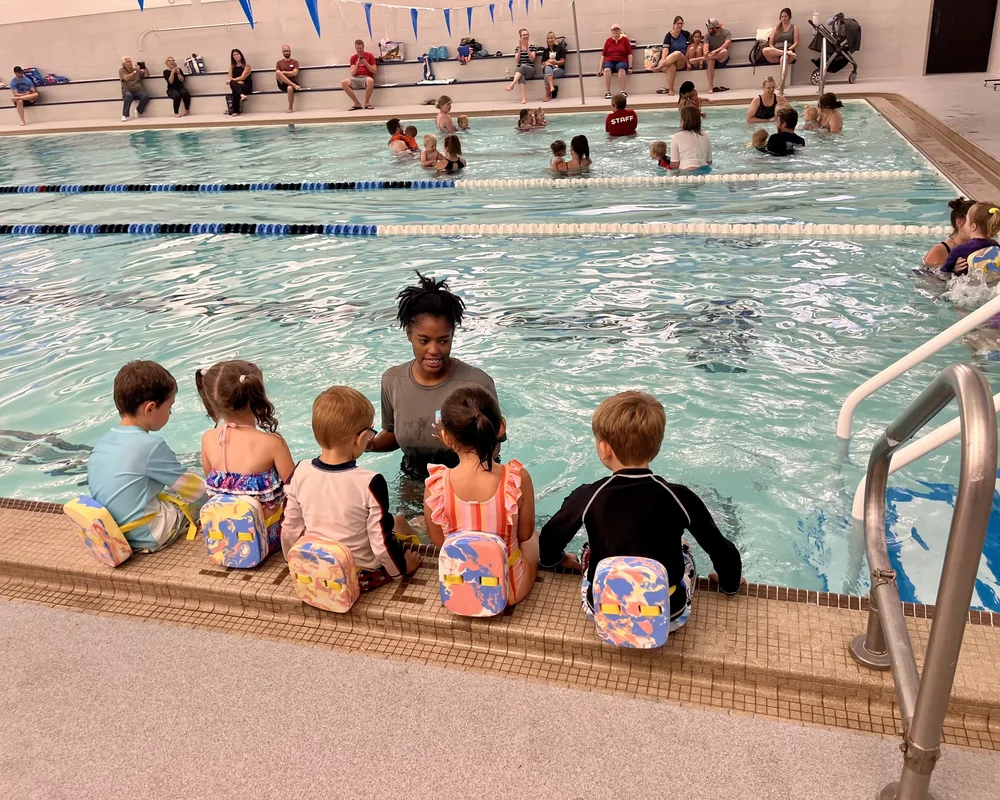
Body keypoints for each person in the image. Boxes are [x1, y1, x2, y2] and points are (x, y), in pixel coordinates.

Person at [538, 391, 744, 630]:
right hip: (669, 615)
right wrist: (730, 584)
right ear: (656, 447)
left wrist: (556, 559)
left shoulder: (588, 495)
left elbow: (550, 540)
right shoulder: (679, 496)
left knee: (589, 550)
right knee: (686, 555)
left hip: (603, 609)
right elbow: (721, 549)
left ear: (605, 449)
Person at [280, 386, 421, 592]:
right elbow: (380, 543)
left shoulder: (300, 471)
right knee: (402, 525)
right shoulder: (370, 482)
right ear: (361, 437)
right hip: (358, 573)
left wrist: (294, 563)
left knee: (398, 521)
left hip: (317, 565)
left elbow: (289, 527)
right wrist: (401, 570)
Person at [411, 386, 539, 607]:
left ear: (446, 437)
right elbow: (525, 534)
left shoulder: (436, 484)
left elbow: (439, 541)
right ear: (501, 427)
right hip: (508, 592)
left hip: (457, 588)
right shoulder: (516, 478)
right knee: (533, 538)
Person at [368, 272, 497, 486]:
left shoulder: (477, 383)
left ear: (453, 335)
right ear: (409, 334)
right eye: (424, 340)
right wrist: (365, 444)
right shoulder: (393, 380)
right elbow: (393, 434)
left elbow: (493, 443)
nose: (434, 350)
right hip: (414, 479)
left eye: (443, 341)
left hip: (470, 481)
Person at [87, 361, 206, 553]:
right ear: (150, 409)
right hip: (146, 535)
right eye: (169, 407)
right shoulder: (151, 446)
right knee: (198, 496)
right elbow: (195, 489)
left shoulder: (104, 442)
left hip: (114, 532)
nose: (170, 412)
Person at [196, 360, 294, 552]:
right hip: (266, 536)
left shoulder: (208, 438)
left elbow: (211, 482)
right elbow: (295, 489)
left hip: (225, 533)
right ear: (257, 395)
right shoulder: (272, 442)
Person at [940, 202, 1000, 276]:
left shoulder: (959, 250)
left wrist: (953, 269)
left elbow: (942, 274)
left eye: (967, 221)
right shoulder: (996, 246)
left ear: (973, 227)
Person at [924, 198, 976, 268]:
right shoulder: (939, 251)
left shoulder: (982, 247)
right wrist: (951, 270)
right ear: (959, 222)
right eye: (976, 223)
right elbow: (925, 277)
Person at [653, 16, 689, 96]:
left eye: (681, 23)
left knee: (677, 53)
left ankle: (660, 67)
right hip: (670, 60)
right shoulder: (668, 36)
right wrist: (663, 59)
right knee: (671, 65)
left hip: (681, 60)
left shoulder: (685, 34)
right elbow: (665, 50)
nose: (680, 25)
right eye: (678, 23)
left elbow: (696, 37)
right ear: (674, 25)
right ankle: (671, 89)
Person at [670, 105, 712, 171]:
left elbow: (675, 164)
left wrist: (665, 167)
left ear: (682, 120)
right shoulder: (705, 135)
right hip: (704, 170)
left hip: (686, 171)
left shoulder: (676, 137)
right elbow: (709, 161)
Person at [598, 23, 632, 100]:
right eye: (614, 30)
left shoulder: (625, 40)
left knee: (621, 68)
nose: (615, 31)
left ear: (620, 31)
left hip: (621, 60)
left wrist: (630, 67)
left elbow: (629, 54)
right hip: (610, 61)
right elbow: (603, 56)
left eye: (617, 30)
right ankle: (607, 92)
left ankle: (623, 91)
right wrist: (599, 69)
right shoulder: (608, 41)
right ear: (611, 31)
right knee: (606, 69)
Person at [341, 39, 377, 110]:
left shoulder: (370, 56)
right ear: (355, 48)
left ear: (363, 47)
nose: (359, 50)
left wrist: (366, 64)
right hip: (356, 78)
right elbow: (353, 73)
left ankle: (367, 103)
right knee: (343, 82)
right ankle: (356, 103)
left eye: (360, 48)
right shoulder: (353, 58)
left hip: (366, 78)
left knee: (370, 81)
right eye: (357, 48)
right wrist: (357, 65)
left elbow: (375, 71)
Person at [505, 28, 536, 105]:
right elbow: (517, 60)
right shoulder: (517, 48)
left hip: (530, 70)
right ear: (520, 37)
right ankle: (523, 98)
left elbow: (532, 59)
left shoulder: (533, 47)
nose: (525, 36)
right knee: (521, 74)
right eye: (523, 35)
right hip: (520, 70)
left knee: (523, 66)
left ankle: (512, 85)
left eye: (527, 34)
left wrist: (527, 49)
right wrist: (520, 49)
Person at [704, 18, 732, 93]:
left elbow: (726, 44)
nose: (708, 30)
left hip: (721, 58)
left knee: (725, 51)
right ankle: (710, 87)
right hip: (711, 58)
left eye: (710, 29)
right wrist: (706, 52)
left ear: (716, 28)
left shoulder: (726, 32)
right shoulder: (707, 36)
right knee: (710, 60)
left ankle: (711, 57)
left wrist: (715, 51)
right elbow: (705, 47)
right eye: (708, 29)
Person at [119, 56, 150, 122]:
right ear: (124, 64)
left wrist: (144, 68)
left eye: (130, 61)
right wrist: (135, 71)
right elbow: (126, 78)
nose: (130, 63)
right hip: (127, 90)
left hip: (137, 90)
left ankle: (139, 110)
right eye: (128, 62)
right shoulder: (122, 70)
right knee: (128, 95)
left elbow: (147, 75)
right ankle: (124, 115)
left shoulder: (136, 70)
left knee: (145, 96)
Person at [275, 44, 302, 114]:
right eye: (284, 51)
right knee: (278, 72)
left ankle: (290, 107)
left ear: (290, 51)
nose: (286, 52)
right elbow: (278, 74)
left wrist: (283, 72)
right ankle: (294, 85)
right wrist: (285, 73)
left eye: (287, 51)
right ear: (282, 52)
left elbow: (295, 73)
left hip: (292, 82)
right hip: (282, 83)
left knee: (290, 88)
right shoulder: (279, 63)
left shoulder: (295, 62)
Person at [226, 49, 253, 116]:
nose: (236, 56)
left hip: (246, 86)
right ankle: (242, 95)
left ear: (241, 55)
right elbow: (229, 77)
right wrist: (236, 82)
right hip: (238, 86)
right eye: (234, 55)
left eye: (237, 54)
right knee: (234, 87)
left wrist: (234, 81)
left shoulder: (246, 65)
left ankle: (236, 111)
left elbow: (243, 77)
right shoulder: (232, 66)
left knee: (234, 86)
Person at [541, 31, 566, 101]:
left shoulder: (560, 48)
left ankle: (547, 96)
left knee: (547, 74)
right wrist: (547, 62)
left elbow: (562, 61)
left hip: (559, 69)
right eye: (548, 38)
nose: (550, 40)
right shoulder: (545, 51)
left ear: (554, 39)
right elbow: (542, 63)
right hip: (548, 69)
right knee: (547, 69)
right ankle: (552, 87)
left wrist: (555, 62)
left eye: (551, 38)